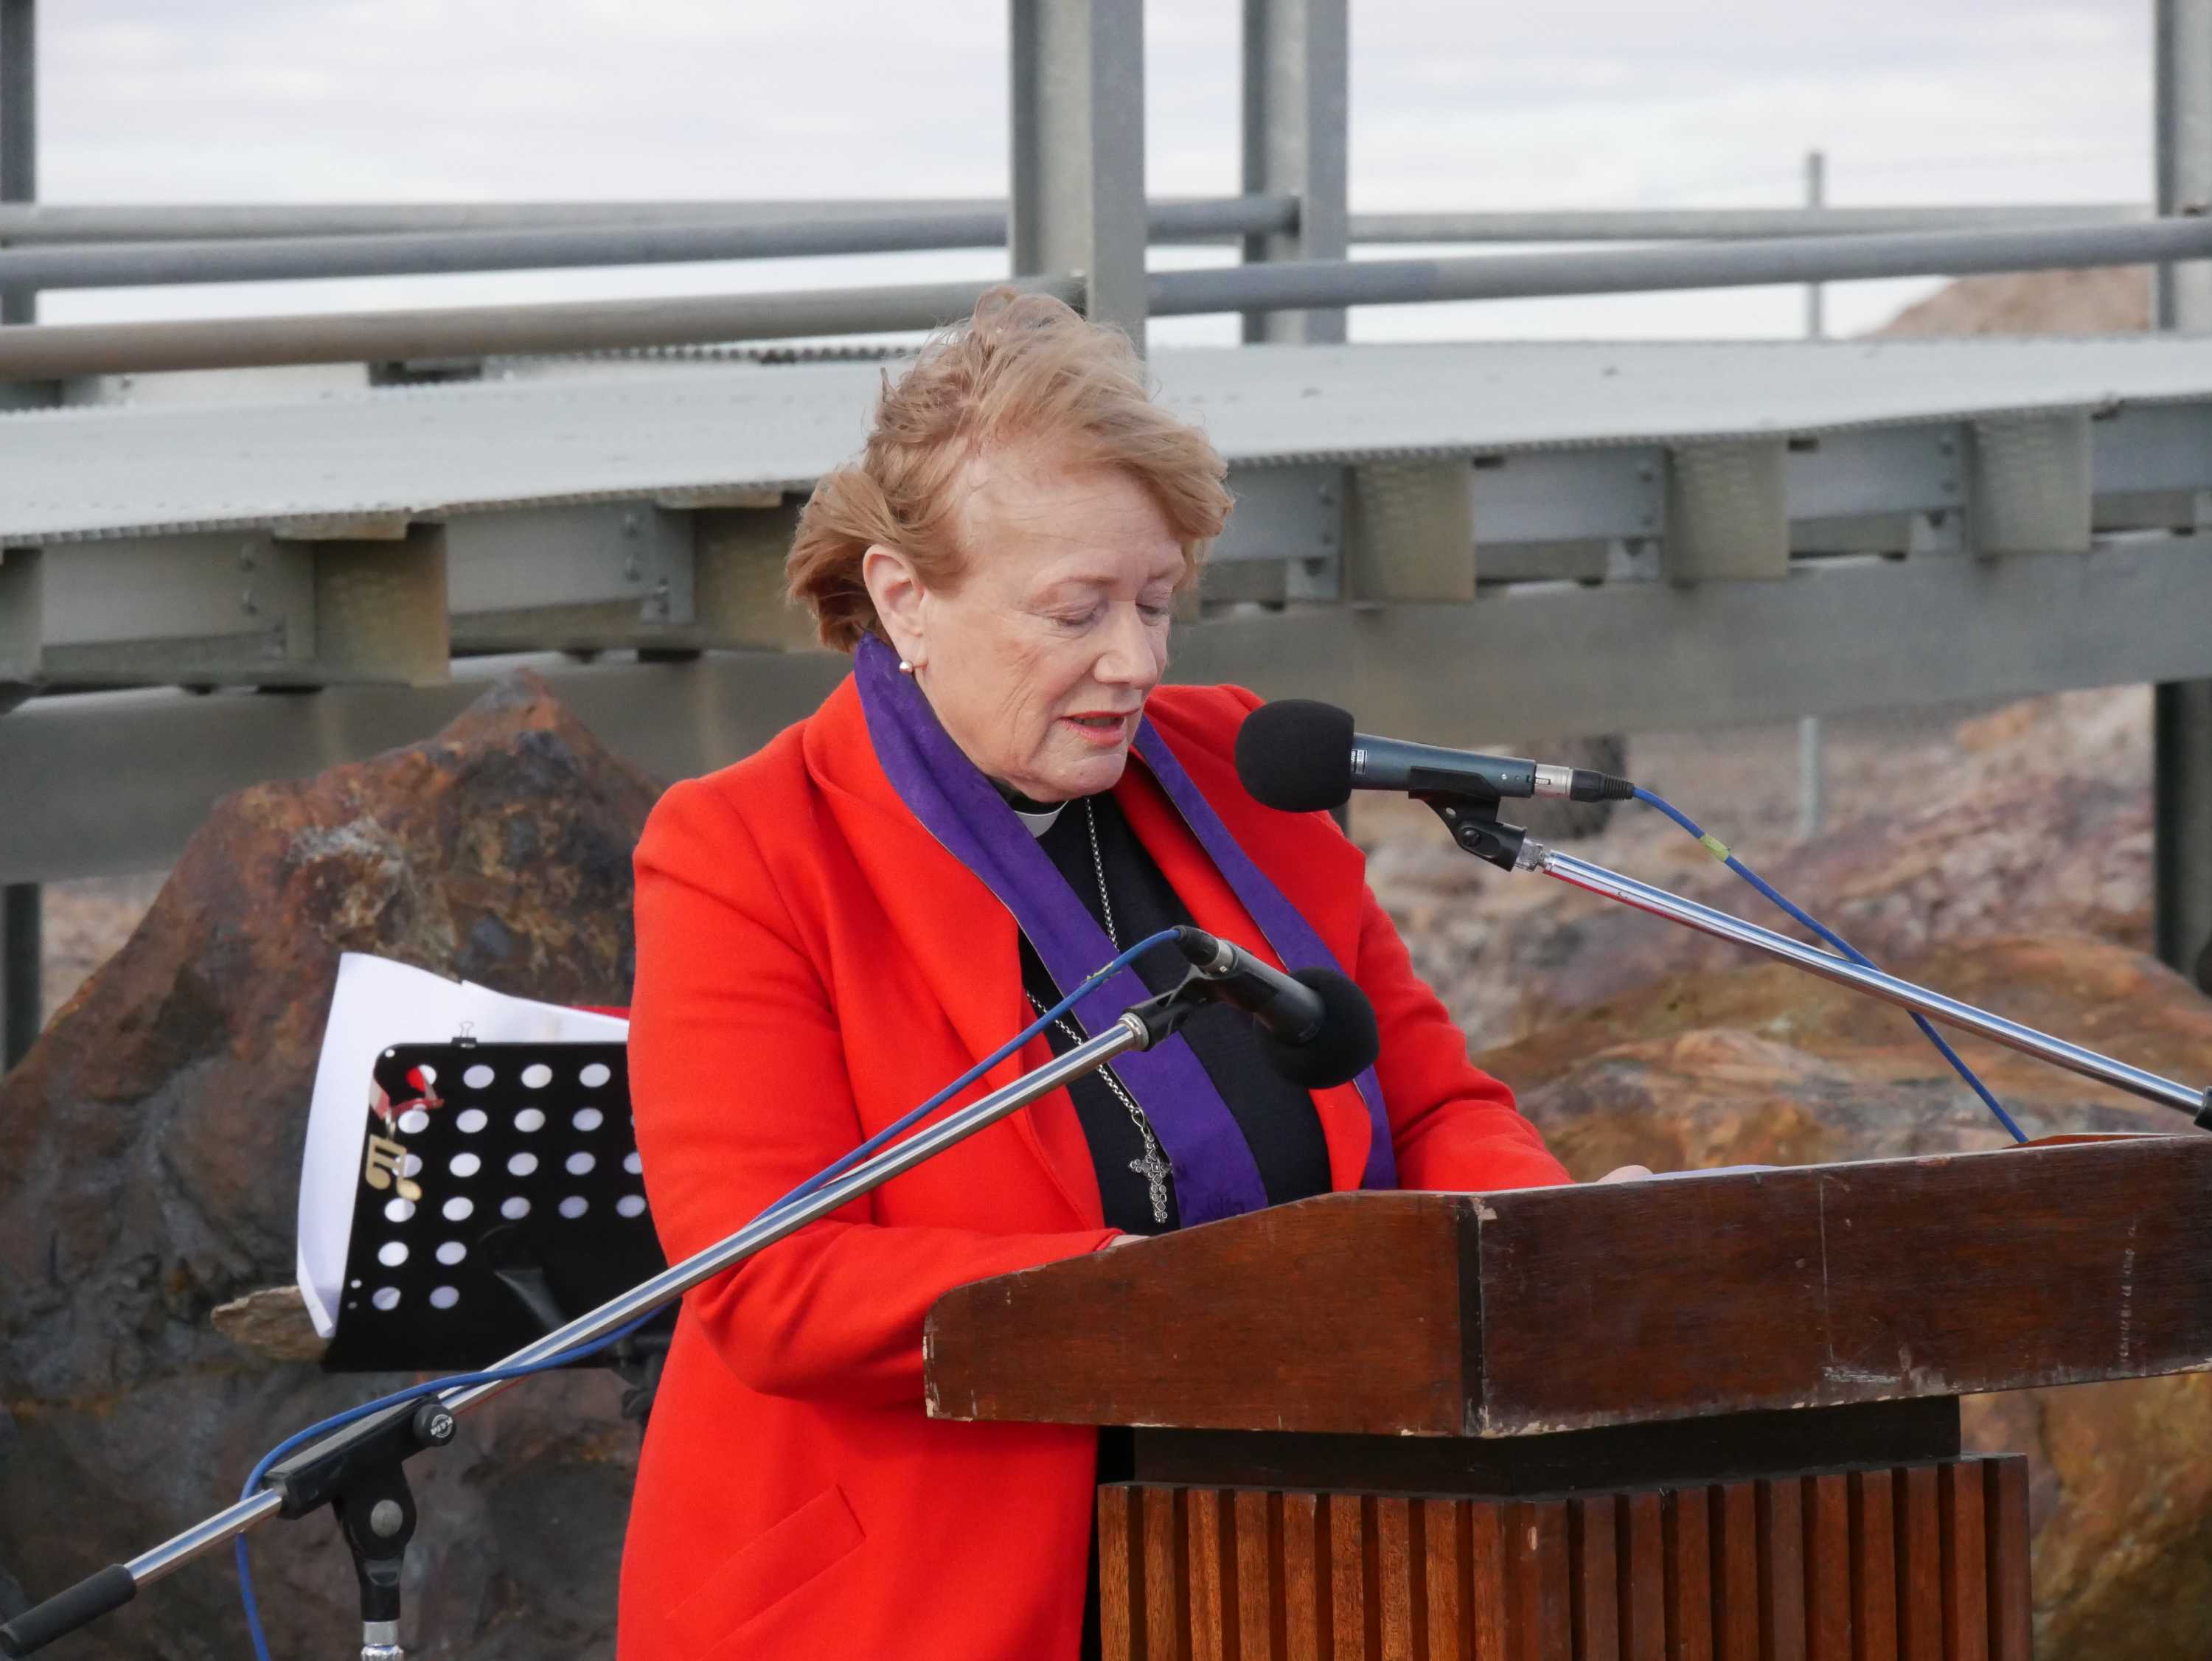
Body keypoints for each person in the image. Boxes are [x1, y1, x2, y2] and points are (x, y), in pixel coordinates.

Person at [615, 289, 1593, 1661]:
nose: (1131, 662)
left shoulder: (1243, 774)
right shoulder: (748, 851)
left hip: (1326, 1563)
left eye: (1155, 602)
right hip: (919, 1599)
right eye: (1075, 611)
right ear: (905, 598)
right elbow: (775, 1289)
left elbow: (1432, 1108)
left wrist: (1551, 1250)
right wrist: (1147, 1303)